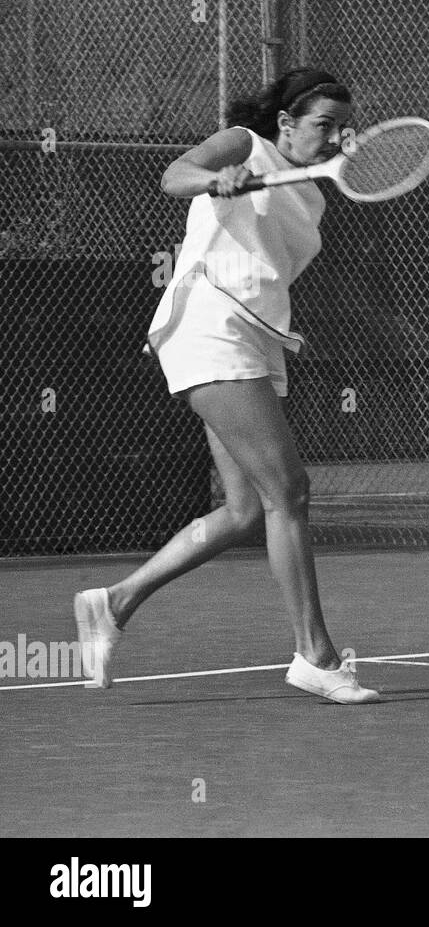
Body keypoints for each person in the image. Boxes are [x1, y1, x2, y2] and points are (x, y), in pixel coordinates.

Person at [73, 68, 379, 703]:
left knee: (246, 512)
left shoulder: (316, 192)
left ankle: (114, 603)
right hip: (211, 326)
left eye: (340, 130)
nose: (331, 139)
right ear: (286, 123)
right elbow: (174, 175)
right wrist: (218, 181)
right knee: (289, 491)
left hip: (259, 338)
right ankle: (315, 655)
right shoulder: (244, 142)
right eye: (321, 125)